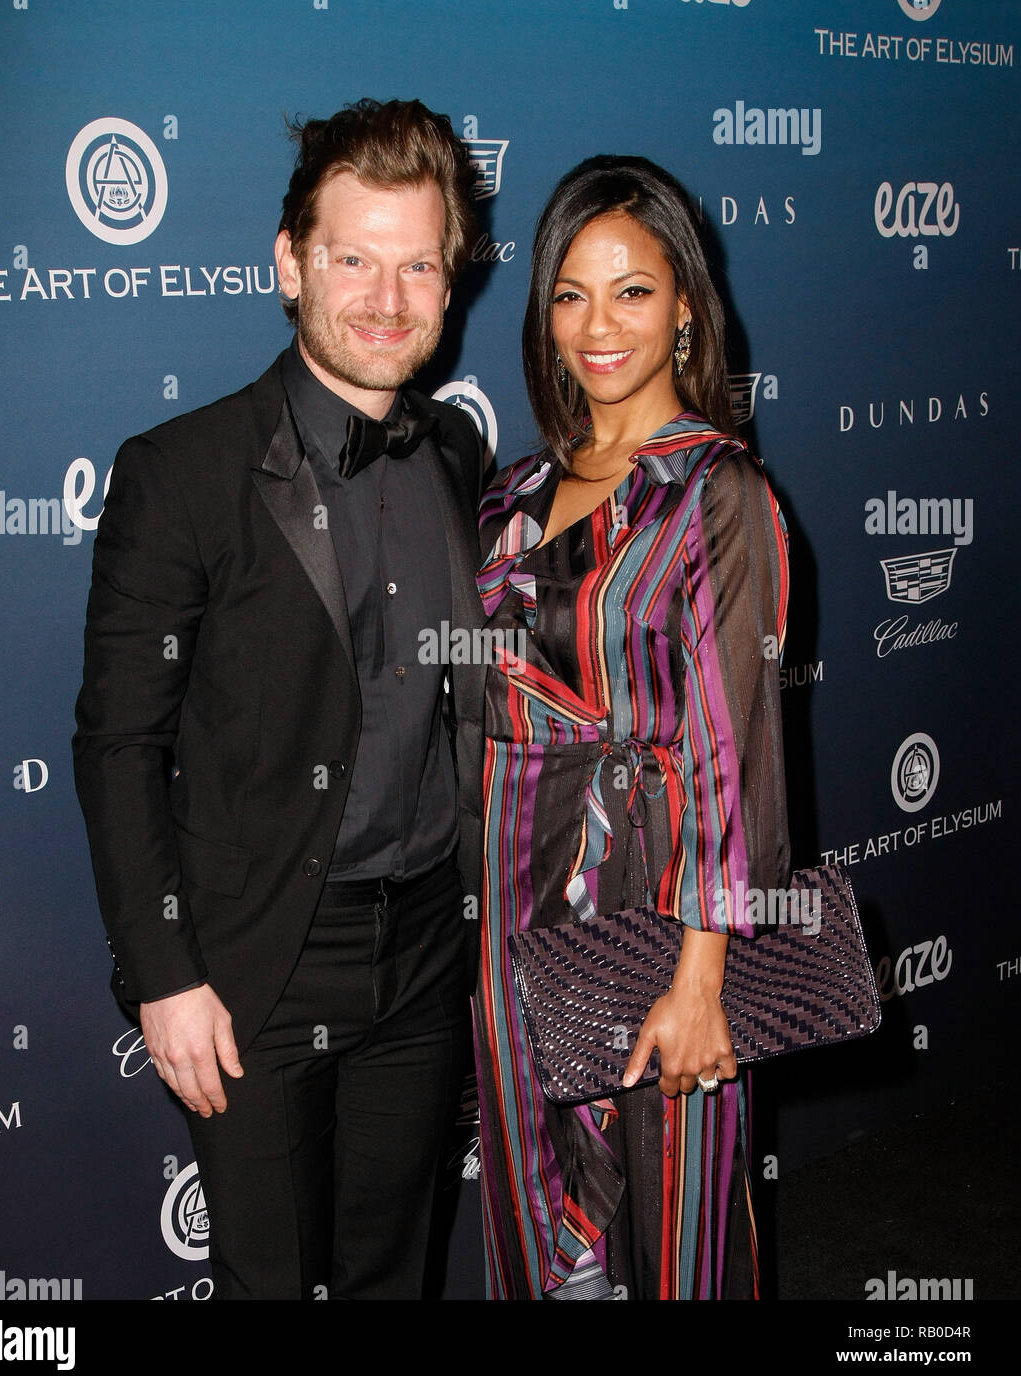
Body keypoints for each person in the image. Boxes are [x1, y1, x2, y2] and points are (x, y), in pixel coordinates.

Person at [73, 98, 486, 1300]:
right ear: (288, 263)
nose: (385, 296)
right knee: (267, 1280)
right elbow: (118, 744)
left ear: (450, 285)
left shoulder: (458, 459)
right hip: (255, 959)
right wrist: (162, 972)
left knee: (390, 1272)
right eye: (352, 256)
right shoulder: (183, 472)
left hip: (421, 949)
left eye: (417, 264)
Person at [473, 156, 790, 1300]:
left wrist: (703, 973)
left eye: (631, 290)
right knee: (534, 1222)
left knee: (671, 1231)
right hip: (510, 921)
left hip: (653, 915)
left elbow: (729, 740)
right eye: (568, 292)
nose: (594, 324)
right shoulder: (510, 495)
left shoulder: (715, 492)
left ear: (687, 306)